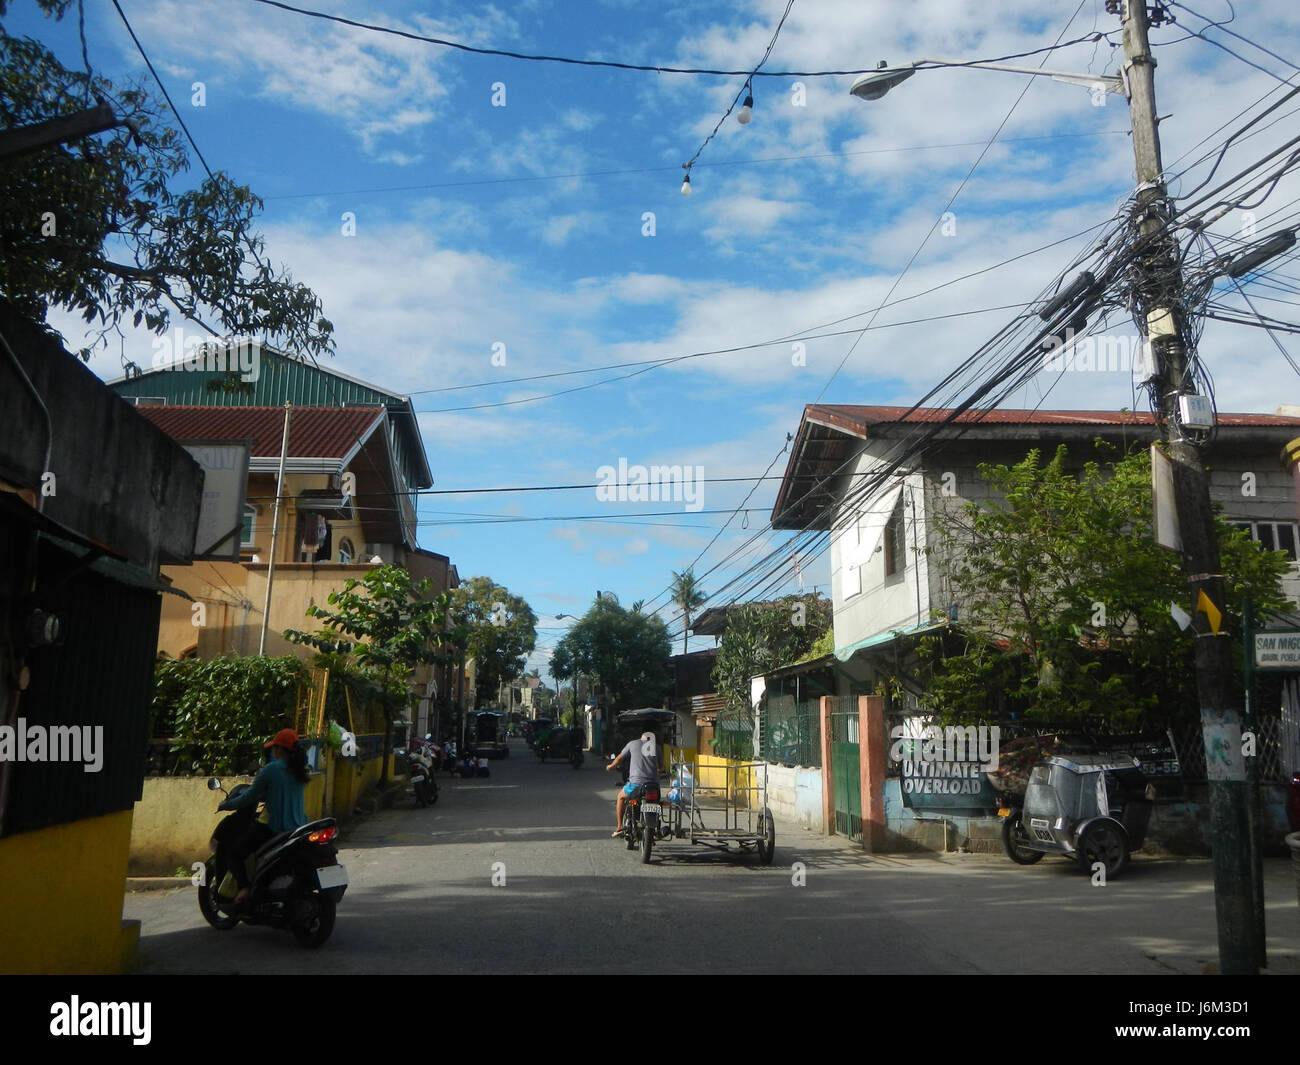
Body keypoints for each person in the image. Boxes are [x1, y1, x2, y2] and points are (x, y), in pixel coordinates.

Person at [217, 728, 309, 906]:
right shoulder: (300, 771)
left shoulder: (271, 770)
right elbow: (282, 794)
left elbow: (249, 797)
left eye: (274, 748)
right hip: (299, 827)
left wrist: (225, 805)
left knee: (234, 853)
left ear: (280, 750)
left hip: (274, 827)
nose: (273, 752)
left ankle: (244, 888)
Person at [605, 731, 659, 837]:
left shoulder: (632, 743)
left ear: (641, 737)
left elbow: (620, 758)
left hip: (636, 784)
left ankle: (620, 827)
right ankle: (655, 825)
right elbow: (661, 767)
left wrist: (611, 766)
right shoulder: (657, 747)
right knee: (657, 803)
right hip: (653, 785)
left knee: (620, 797)